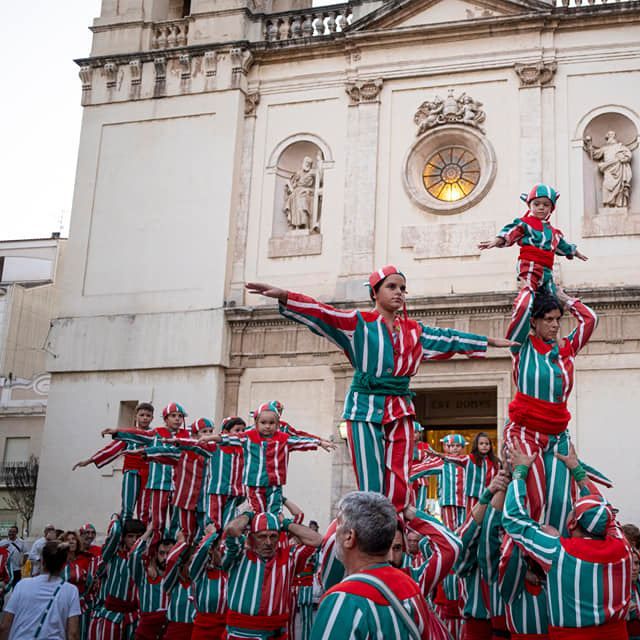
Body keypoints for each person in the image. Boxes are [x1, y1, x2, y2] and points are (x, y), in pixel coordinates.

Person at [248, 267, 514, 512]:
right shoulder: (358, 323)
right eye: (392, 287)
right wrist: (285, 296)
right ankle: (371, 529)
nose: (399, 292)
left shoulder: (413, 331)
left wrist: (488, 341)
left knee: (399, 475)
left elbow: (450, 339)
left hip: (400, 406)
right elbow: (323, 313)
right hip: (364, 406)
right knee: (371, 482)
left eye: (403, 288)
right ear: (374, 292)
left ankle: (396, 529)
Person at [501, 286, 608, 536]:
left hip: (558, 436)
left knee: (561, 501)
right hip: (526, 433)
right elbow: (520, 311)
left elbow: (591, 318)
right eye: (548, 319)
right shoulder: (521, 346)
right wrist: (531, 282)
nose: (555, 325)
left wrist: (565, 299)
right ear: (534, 321)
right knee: (533, 498)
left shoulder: (567, 348)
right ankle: (526, 560)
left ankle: (554, 561)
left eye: (558, 319)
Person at [503, 440, 632, 638]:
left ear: (572, 524)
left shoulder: (559, 552)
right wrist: (576, 469)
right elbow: (605, 510)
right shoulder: (623, 547)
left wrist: (520, 473)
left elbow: (513, 519)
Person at [312, 491, 448, 639]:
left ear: (349, 537)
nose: (334, 532)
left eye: (338, 525)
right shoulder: (410, 586)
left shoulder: (343, 600)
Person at [478, 184, 588, 341]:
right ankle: (517, 331)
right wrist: (496, 241)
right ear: (530, 205)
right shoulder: (524, 223)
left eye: (546, 205)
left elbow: (563, 246)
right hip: (530, 265)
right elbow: (510, 232)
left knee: (553, 299)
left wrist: (575, 252)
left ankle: (547, 333)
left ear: (551, 208)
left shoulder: (554, 233)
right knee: (527, 296)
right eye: (537, 204)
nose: (541, 208)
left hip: (547, 271)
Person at [201, 404, 333, 515]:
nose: (268, 426)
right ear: (256, 424)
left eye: (272, 423)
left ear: (277, 424)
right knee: (258, 514)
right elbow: (228, 438)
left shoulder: (283, 439)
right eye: (263, 423)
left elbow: (300, 441)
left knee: (274, 513)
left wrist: (319, 443)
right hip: (254, 485)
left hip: (274, 485)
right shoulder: (248, 437)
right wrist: (210, 438)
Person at [220, 506, 324, 639]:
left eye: (273, 536)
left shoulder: (289, 558)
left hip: (275, 634)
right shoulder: (239, 554)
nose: (268, 542)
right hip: (241, 635)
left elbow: (317, 539)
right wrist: (248, 515)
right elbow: (232, 529)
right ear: (252, 537)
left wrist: (286, 524)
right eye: (262, 536)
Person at [104, 403, 190, 536]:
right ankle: (129, 538)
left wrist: (145, 450)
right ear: (166, 419)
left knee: (175, 520)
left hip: (177, 485)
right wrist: (118, 431)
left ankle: (168, 546)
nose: (177, 419)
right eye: (173, 416)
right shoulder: (156, 433)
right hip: (156, 483)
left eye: (180, 416)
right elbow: (137, 435)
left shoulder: (186, 435)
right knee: (153, 520)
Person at [74, 402, 154, 522]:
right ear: (136, 416)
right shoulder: (128, 435)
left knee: (145, 509)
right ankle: (124, 534)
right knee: (127, 507)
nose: (144, 418)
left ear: (152, 418)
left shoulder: (154, 435)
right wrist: (89, 460)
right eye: (142, 415)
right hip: (131, 473)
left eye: (148, 415)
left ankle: (142, 537)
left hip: (148, 475)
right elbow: (111, 450)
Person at [453, 471, 510, 640]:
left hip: (510, 623)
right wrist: (488, 494)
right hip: (478, 624)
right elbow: (461, 552)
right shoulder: (469, 539)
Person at [0, 541, 81, 640]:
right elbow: (73, 633)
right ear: (64, 564)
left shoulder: (22, 585)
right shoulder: (71, 591)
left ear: (42, 561)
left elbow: (5, 626)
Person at [90, 516, 145, 640]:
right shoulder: (112, 556)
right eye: (130, 536)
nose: (134, 540)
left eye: (138, 537)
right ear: (123, 538)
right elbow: (115, 532)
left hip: (134, 617)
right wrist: (115, 518)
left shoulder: (145, 560)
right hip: (111, 616)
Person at [187, 524, 227, 640]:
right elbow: (202, 550)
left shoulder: (232, 572)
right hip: (203, 631)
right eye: (221, 550)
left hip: (226, 631)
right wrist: (211, 534)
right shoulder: (200, 572)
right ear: (212, 550)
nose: (224, 554)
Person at [464, 432, 500, 513]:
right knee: (471, 520)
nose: (484, 445)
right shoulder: (469, 459)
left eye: (487, 444)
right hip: (473, 497)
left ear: (490, 446)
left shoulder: (496, 462)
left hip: (490, 497)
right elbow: (454, 458)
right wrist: (439, 455)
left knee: (486, 520)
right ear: (476, 445)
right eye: (481, 443)